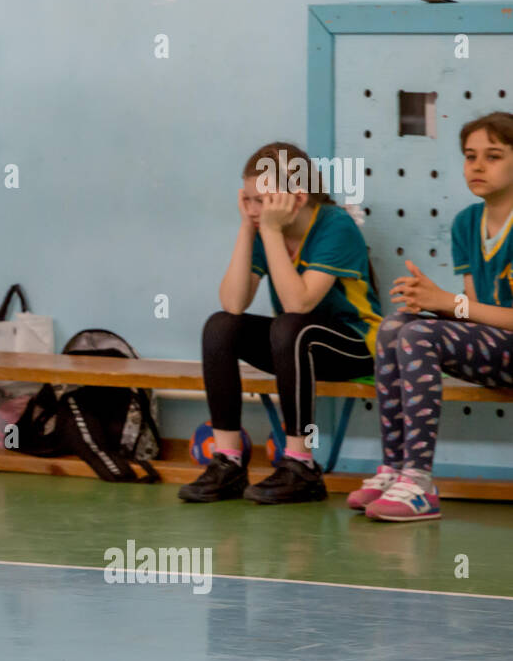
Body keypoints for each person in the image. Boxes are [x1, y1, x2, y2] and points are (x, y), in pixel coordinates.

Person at [179, 142, 383, 505]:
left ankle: (301, 464)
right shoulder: (263, 227)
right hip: (295, 346)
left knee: (291, 326)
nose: (256, 210)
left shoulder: (336, 226)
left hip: (356, 347)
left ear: (298, 198)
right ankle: (228, 461)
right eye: (250, 200)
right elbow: (233, 302)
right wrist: (248, 230)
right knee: (220, 326)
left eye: (264, 201)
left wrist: (269, 233)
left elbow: (298, 303)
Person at [348, 113, 513, 521]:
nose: (476, 165)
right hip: (499, 346)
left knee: (420, 335)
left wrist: (447, 304)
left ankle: (420, 484)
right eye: (469, 156)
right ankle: (396, 469)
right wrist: (434, 303)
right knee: (395, 328)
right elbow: (477, 314)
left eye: (492, 156)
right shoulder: (466, 223)